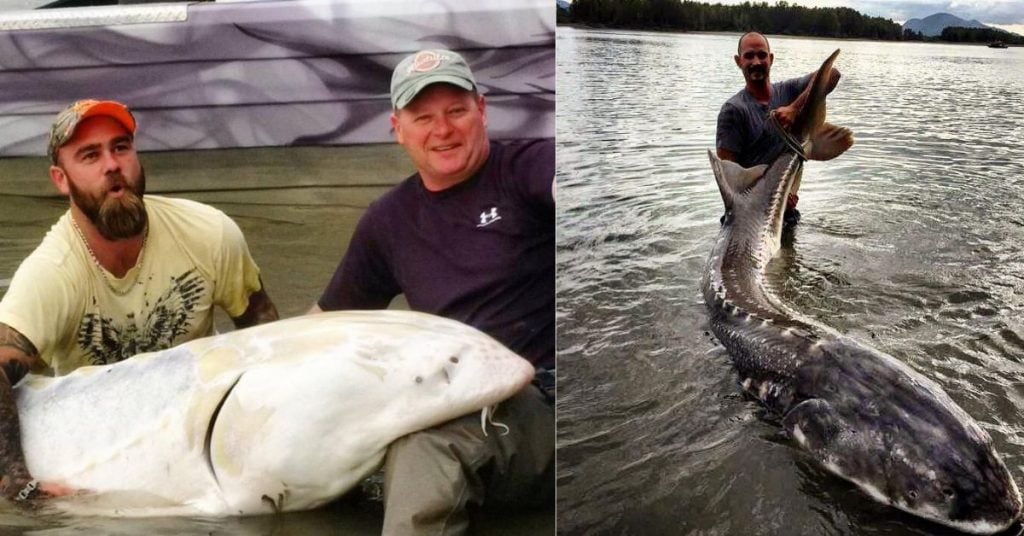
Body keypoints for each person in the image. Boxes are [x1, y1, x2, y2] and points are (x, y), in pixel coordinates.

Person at [311, 49, 554, 534]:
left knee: (426, 441)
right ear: (397, 127)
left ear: (482, 110)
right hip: (451, 401)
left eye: (456, 112)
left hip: (540, 402)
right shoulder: (388, 222)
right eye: (423, 117)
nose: (442, 131)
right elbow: (323, 325)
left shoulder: (527, 168)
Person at [0, 99, 279, 502]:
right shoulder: (51, 274)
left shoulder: (210, 233)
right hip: (98, 449)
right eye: (90, 155)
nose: (112, 165)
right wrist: (15, 482)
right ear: (61, 180)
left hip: (195, 427)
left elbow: (265, 336)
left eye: (121, 147)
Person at [716, 31, 841, 228]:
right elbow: (729, 183)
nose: (756, 62)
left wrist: (794, 107)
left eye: (762, 55)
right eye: (749, 56)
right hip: (746, 219)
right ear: (738, 61)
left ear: (771, 59)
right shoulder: (733, 111)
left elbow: (832, 74)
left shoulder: (789, 90)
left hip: (785, 213)